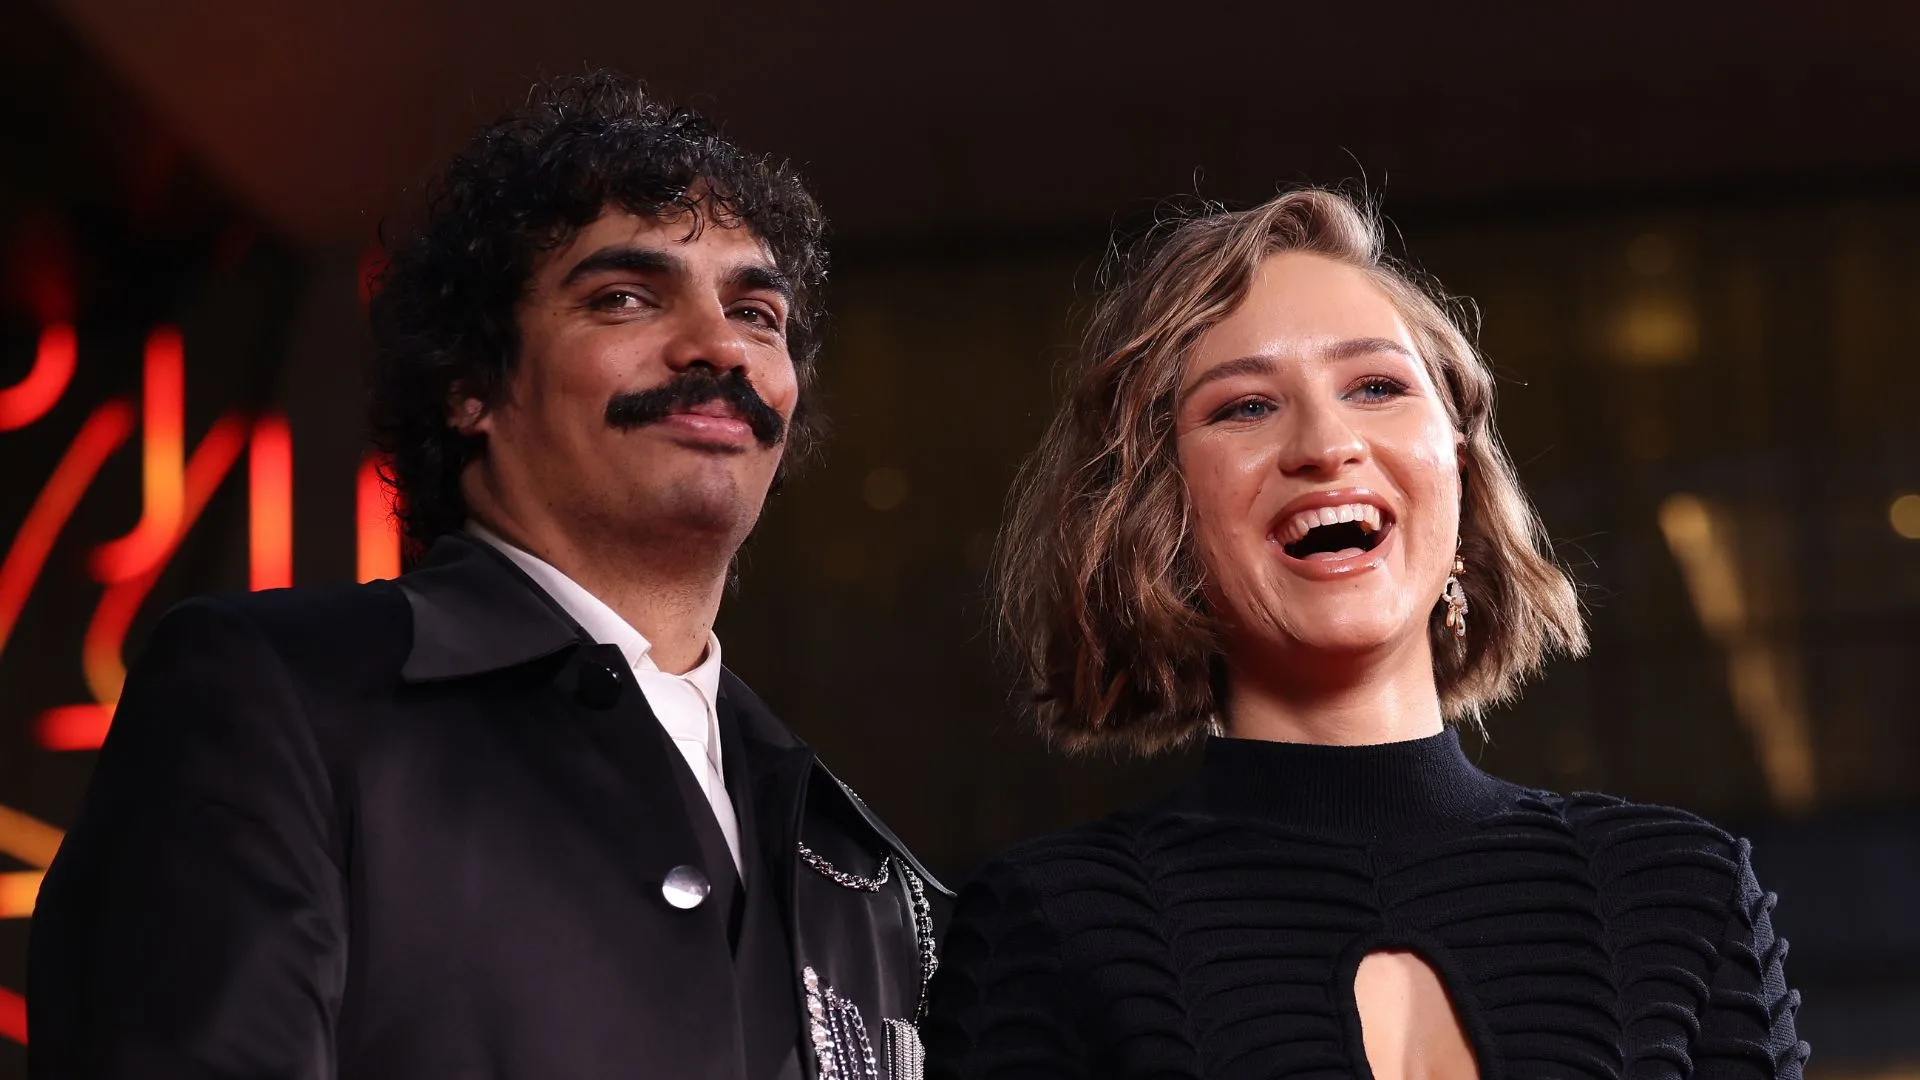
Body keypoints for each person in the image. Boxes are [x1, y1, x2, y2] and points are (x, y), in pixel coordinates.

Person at [31, 71, 944, 1080]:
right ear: (469, 385)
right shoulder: (273, 694)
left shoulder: (867, 868)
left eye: (758, 313)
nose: (718, 345)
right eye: (626, 298)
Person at [921, 188, 1808, 1079]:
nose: (1326, 442)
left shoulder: (1683, 893)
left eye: (1377, 386)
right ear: (1160, 513)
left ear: (1458, 472)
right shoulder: (1050, 920)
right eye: (1245, 407)